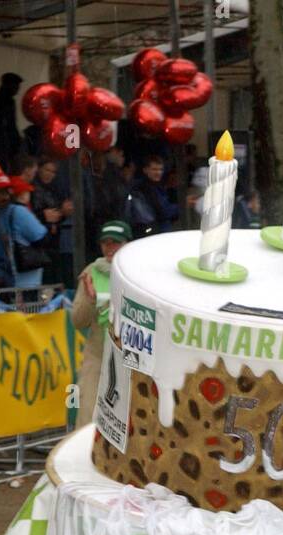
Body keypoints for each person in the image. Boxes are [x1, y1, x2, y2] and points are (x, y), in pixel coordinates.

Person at [70, 220, 130, 429]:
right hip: (98, 355)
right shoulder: (91, 272)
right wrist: (89, 299)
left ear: (127, 244)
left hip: (130, 359)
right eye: (106, 242)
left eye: (116, 242)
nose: (110, 247)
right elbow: (78, 321)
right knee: (87, 417)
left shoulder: (137, 272)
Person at [126, 155, 179, 236]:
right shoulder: (144, 188)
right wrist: (181, 206)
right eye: (154, 169)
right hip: (154, 232)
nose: (158, 172)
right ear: (145, 170)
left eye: (160, 169)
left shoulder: (157, 186)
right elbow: (162, 212)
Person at [0, 72, 25, 170]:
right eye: (16, 86)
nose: (17, 90)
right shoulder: (1, 101)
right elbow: (8, 125)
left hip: (4, 144)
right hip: (1, 145)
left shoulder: (5, 100)